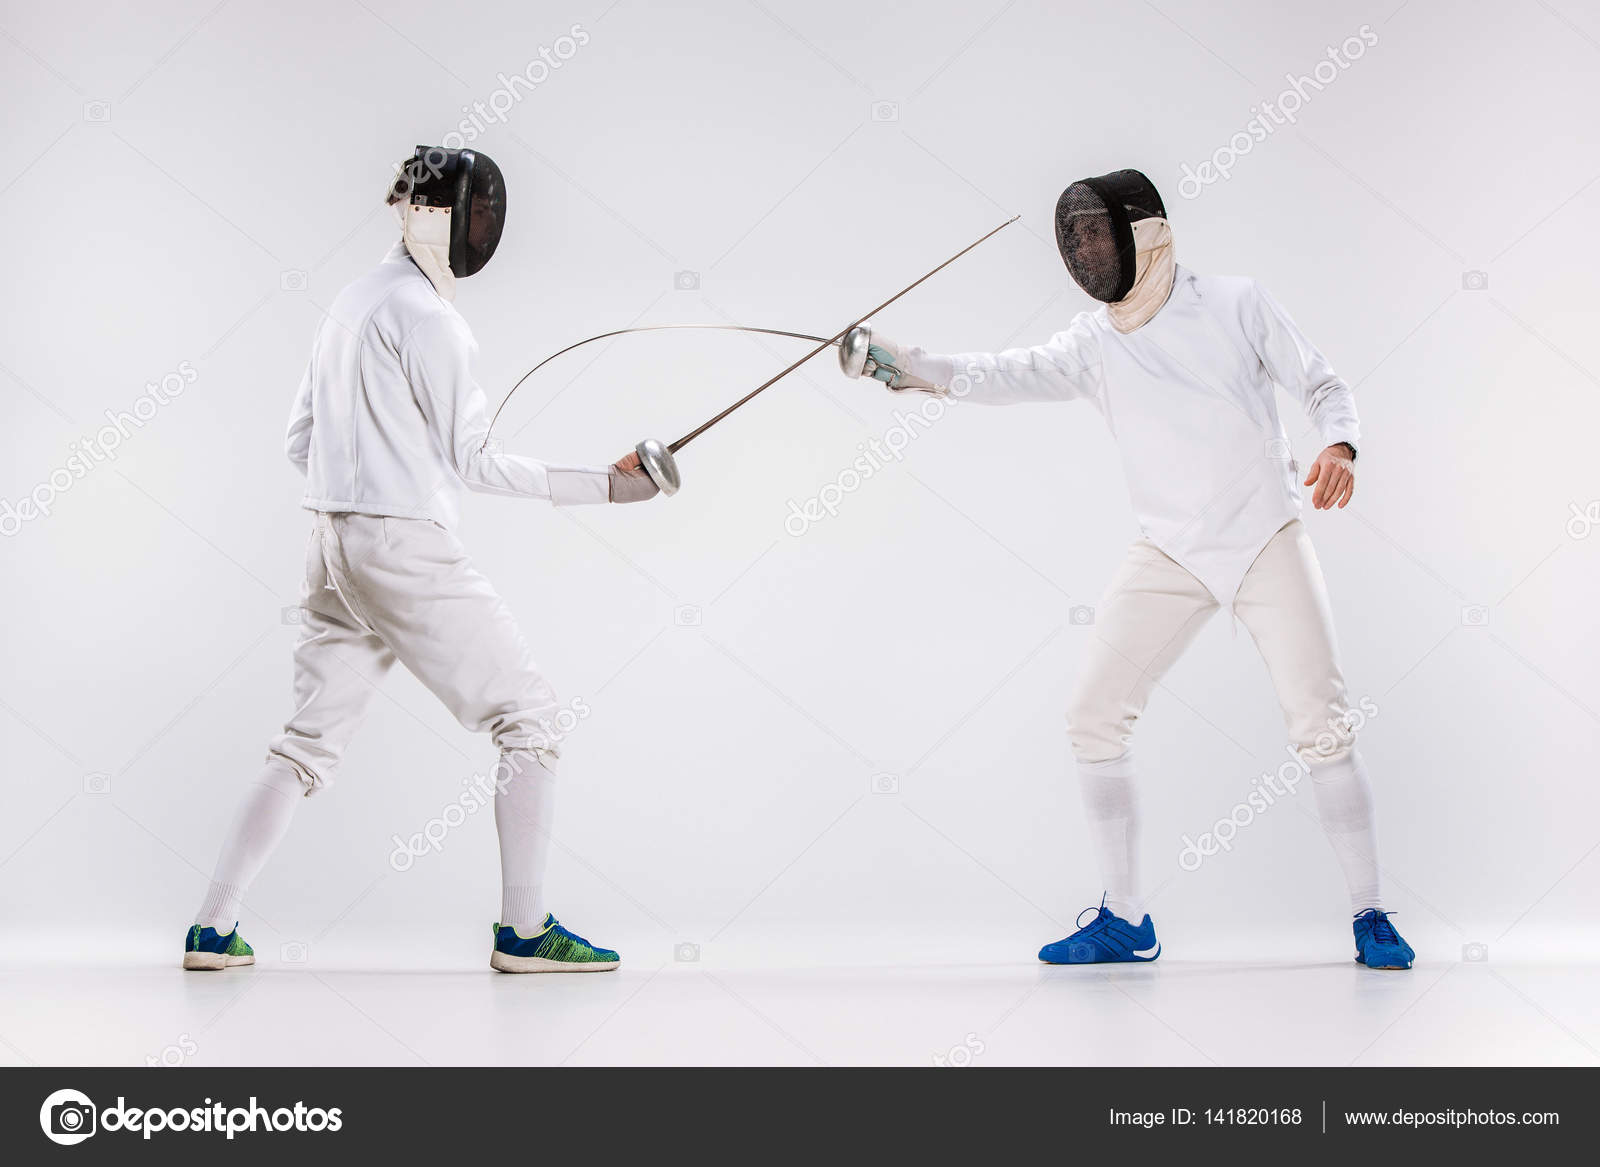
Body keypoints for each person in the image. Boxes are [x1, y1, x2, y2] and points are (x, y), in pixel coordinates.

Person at [842, 169, 1413, 970]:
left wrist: (1339, 444)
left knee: (1322, 727)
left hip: (1264, 538)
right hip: (1169, 553)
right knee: (1093, 715)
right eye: (1076, 238)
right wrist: (898, 364)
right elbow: (1002, 375)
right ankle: (1126, 918)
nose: (1085, 250)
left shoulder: (1239, 303)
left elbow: (1322, 383)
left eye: (1096, 235)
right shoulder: (1093, 342)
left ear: (1145, 236)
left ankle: (1370, 914)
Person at [183, 146, 660, 974]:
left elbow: (300, 440)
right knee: (532, 718)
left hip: (329, 544)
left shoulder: (350, 301)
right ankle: (523, 931)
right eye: (474, 215)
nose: (483, 231)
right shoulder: (434, 320)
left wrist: (367, 480)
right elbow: (473, 460)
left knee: (303, 746)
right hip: (401, 546)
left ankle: (211, 931)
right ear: (434, 214)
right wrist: (608, 489)